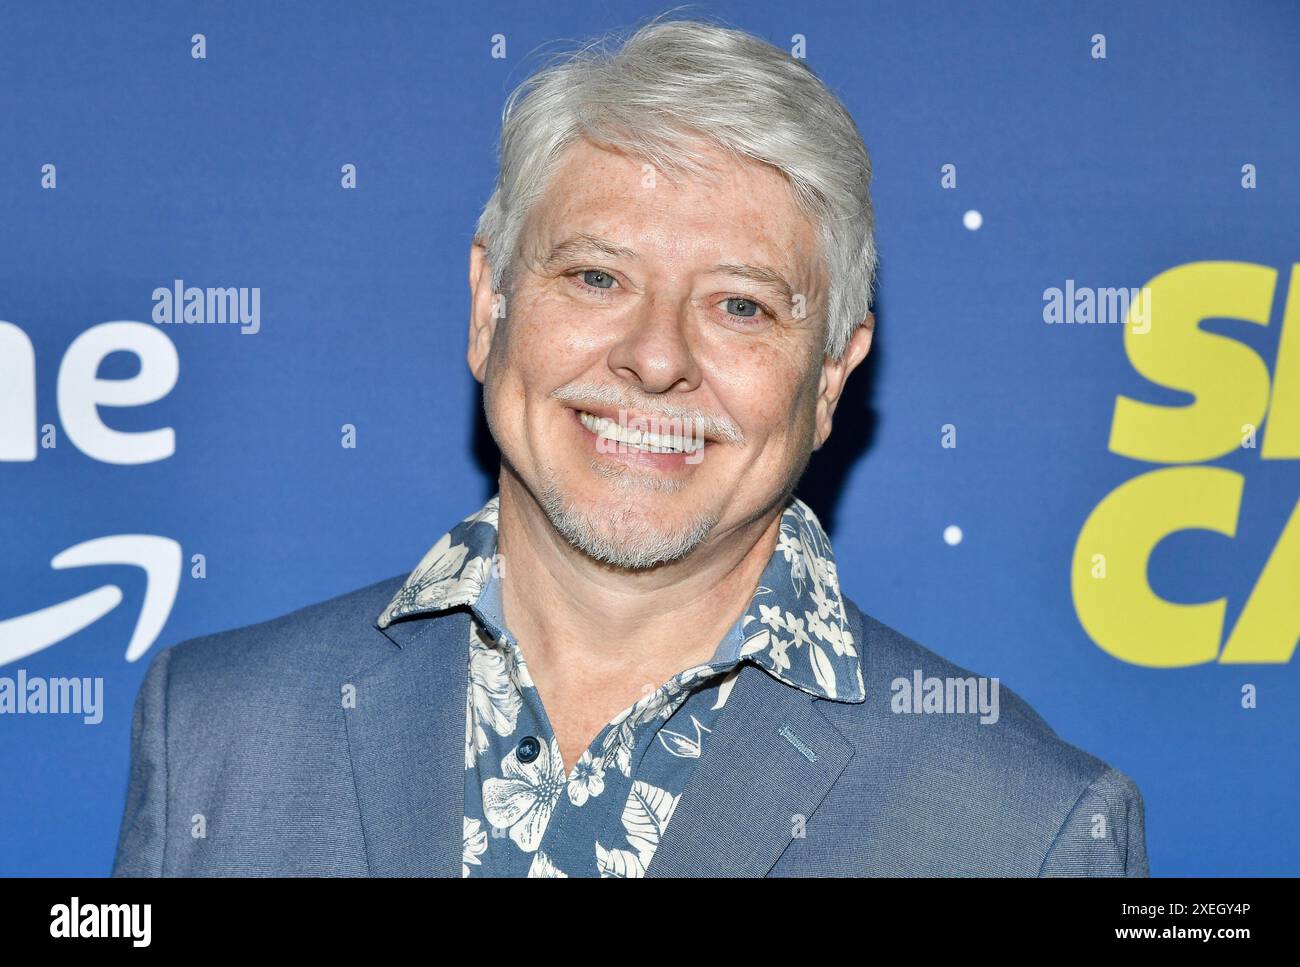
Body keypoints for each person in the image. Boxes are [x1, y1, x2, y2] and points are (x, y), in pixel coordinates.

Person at [112, 16, 1148, 877]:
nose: (656, 359)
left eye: (739, 305)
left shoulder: (1025, 831)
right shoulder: (217, 727)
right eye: (596, 278)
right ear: (490, 304)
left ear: (829, 376)